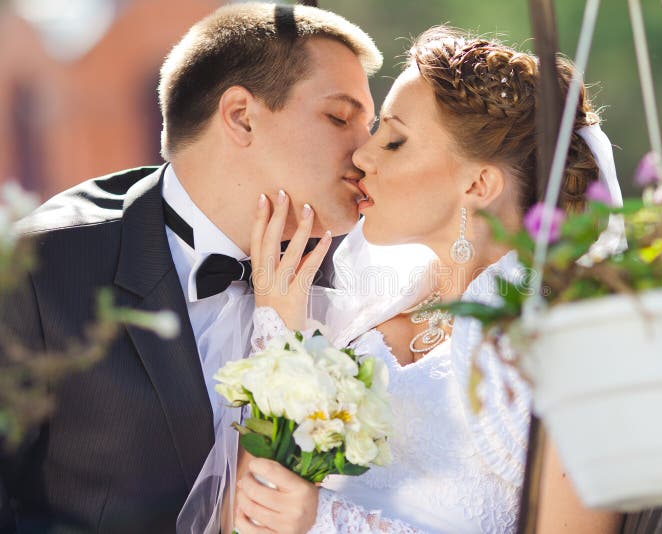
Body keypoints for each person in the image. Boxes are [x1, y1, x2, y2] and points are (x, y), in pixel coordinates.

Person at [206, 27, 627, 533]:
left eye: (395, 140)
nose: (362, 157)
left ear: (478, 184)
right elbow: (244, 517)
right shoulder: (369, 314)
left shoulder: (556, 351)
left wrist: (327, 522)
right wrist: (282, 336)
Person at [0, 3, 381, 532]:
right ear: (241, 117)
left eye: (374, 126)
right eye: (340, 117)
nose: (368, 154)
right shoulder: (41, 267)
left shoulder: (367, 282)